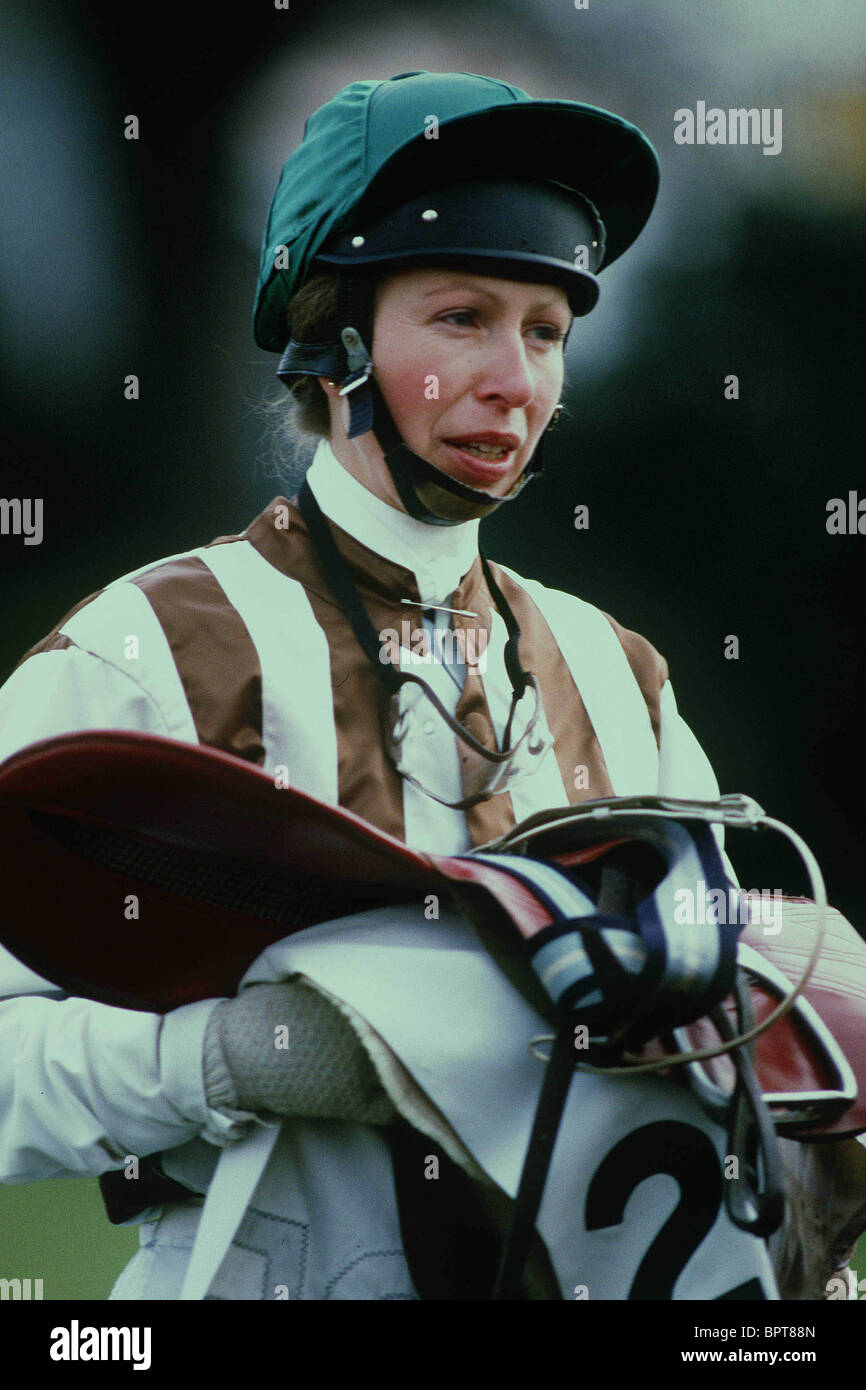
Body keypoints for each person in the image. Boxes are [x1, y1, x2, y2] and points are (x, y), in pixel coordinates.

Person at [0, 70, 862, 1301]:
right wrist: (229, 1059)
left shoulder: (618, 673)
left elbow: (726, 1037)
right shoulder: (145, 644)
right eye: (461, 316)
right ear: (330, 335)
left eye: (546, 331)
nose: (514, 379)